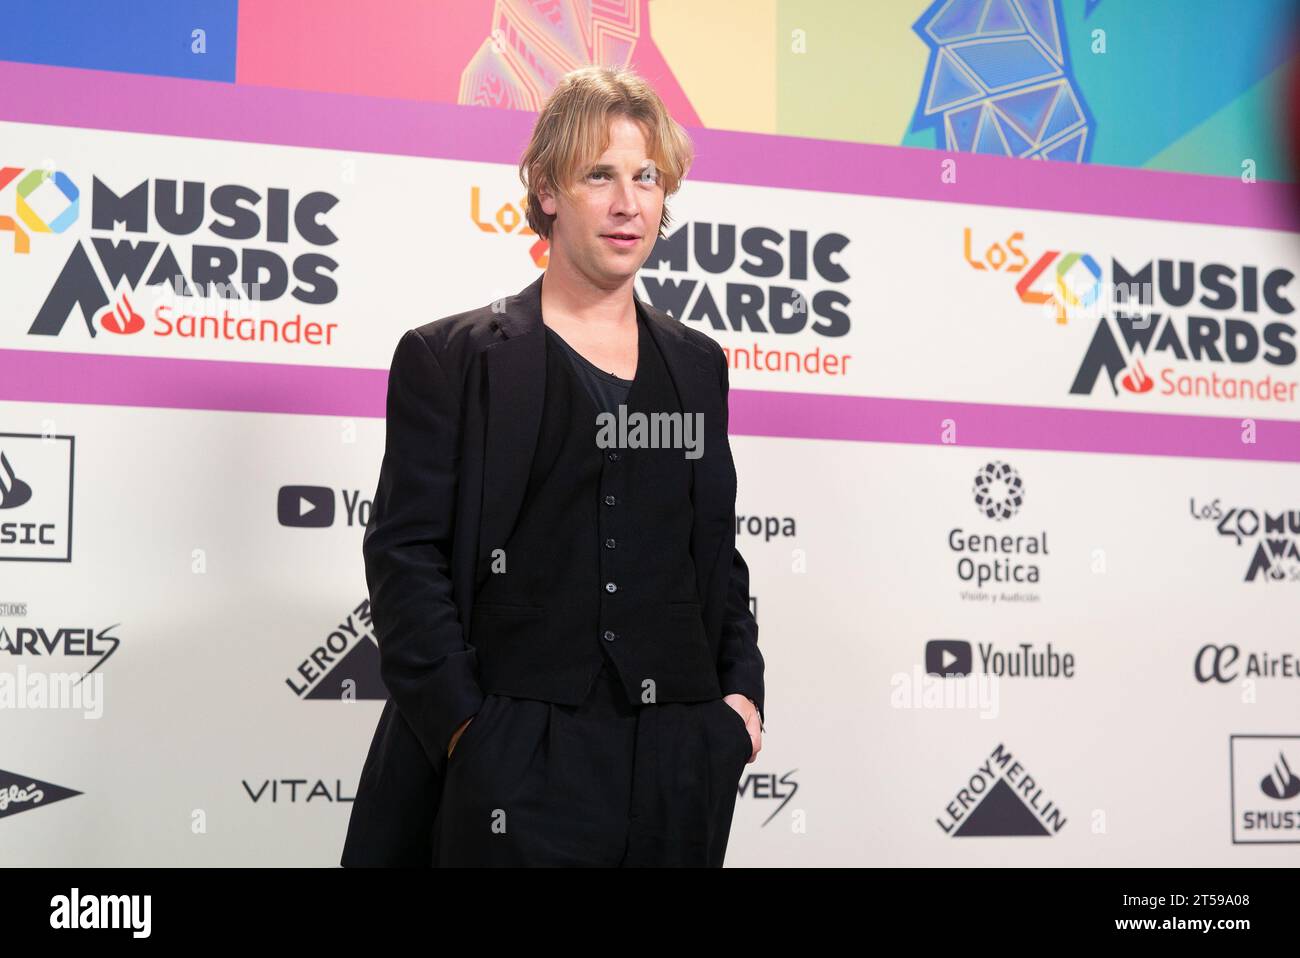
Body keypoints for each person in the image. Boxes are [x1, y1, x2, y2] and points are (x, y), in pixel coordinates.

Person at [341, 65, 764, 868]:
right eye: (598, 175)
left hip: (677, 759)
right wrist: (468, 728)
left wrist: (737, 706)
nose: (627, 203)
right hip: (512, 760)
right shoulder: (451, 359)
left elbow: (714, 552)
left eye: (645, 177)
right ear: (545, 191)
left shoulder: (698, 364)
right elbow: (405, 554)